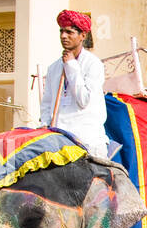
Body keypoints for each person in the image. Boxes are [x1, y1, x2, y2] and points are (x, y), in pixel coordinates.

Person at [39, 9, 108, 158]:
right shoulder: (54, 68)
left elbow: (84, 100)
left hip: (87, 140)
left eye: (69, 32)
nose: (63, 36)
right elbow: (46, 103)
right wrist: (45, 124)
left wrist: (71, 66)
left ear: (83, 36)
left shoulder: (94, 65)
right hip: (58, 139)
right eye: (61, 32)